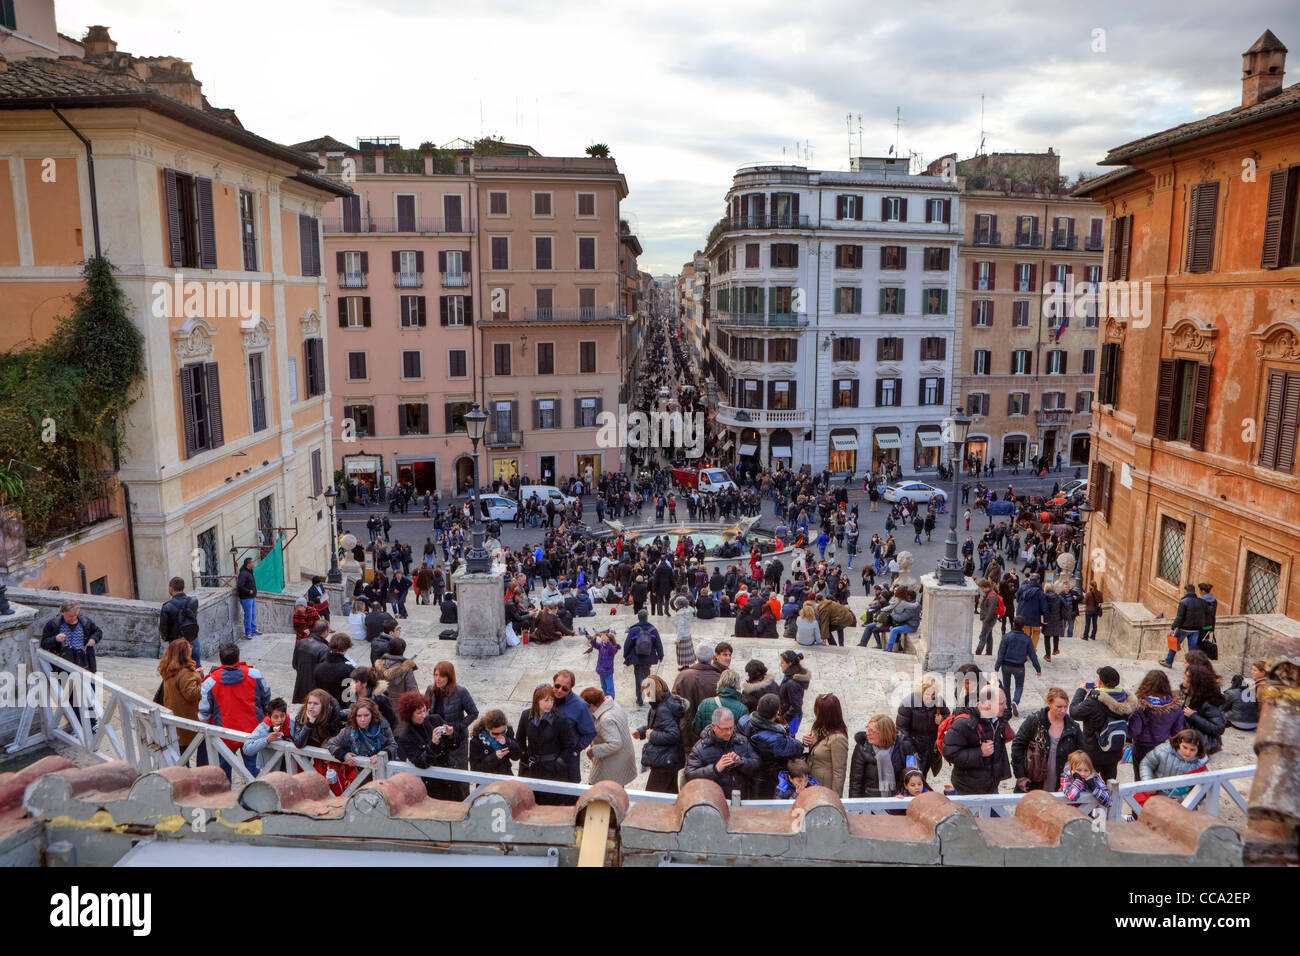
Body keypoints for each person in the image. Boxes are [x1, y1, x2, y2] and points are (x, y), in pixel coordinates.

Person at [198, 642, 272, 780]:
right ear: (238, 657)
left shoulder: (209, 682)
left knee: (223, 775)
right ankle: (258, 799)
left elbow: (203, 714)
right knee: (255, 773)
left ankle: (226, 800)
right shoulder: (255, 675)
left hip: (224, 734)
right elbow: (267, 701)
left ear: (220, 659)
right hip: (253, 731)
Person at [942, 684, 1013, 796]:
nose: (1006, 707)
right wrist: (980, 753)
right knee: (966, 814)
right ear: (987, 704)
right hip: (967, 789)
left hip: (991, 785)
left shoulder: (997, 719)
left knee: (994, 813)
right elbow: (949, 753)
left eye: (1005, 702)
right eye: (1001, 704)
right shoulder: (964, 723)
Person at [1011, 687, 1085, 793]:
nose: (1063, 710)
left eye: (1065, 706)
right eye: (1059, 707)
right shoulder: (1034, 721)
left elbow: (1082, 754)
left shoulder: (1073, 727)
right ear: (1049, 704)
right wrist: (1020, 776)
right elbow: (1017, 746)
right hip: (1033, 783)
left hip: (1061, 785)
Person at [1069, 666, 1136, 782]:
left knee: (1089, 787)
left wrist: (1081, 691)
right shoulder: (1127, 700)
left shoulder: (1094, 700)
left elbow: (1074, 712)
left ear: (1100, 681)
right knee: (1110, 786)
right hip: (1113, 751)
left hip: (1093, 752)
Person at [516, 685, 579, 806]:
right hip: (531, 769)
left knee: (549, 804)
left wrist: (559, 762)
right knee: (529, 803)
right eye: (546, 700)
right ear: (537, 700)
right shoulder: (526, 716)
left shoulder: (560, 719)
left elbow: (570, 746)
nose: (549, 704)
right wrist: (524, 756)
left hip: (552, 770)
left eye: (552, 700)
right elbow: (520, 740)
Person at [425, 661, 478, 796]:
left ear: (449, 677)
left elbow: (473, 713)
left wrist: (457, 727)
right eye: (436, 675)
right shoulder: (430, 690)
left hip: (456, 739)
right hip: (437, 737)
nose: (438, 679)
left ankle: (464, 799)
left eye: (441, 676)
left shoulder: (460, 692)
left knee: (459, 771)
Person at [395, 690, 458, 799]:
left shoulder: (435, 719)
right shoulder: (405, 738)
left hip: (450, 776)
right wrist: (433, 743)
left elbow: (454, 746)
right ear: (409, 714)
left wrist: (451, 734)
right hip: (430, 785)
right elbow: (421, 763)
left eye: (425, 710)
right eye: (419, 713)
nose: (424, 715)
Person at [740, 694, 805, 799]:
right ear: (776, 713)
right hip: (766, 782)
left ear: (757, 708)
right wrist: (784, 728)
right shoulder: (776, 740)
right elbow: (798, 747)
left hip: (746, 776)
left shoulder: (743, 721)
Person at [684, 707, 759, 797]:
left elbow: (757, 763)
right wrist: (715, 769)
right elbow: (689, 775)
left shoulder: (742, 741)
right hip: (714, 801)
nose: (729, 732)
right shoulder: (700, 748)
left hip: (740, 798)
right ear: (714, 726)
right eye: (725, 729)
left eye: (731, 728)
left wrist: (741, 762)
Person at [1128, 669, 1186, 778]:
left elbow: (1135, 731)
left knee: (1141, 779)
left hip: (1142, 748)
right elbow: (1178, 731)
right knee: (1160, 779)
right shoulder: (1175, 706)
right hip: (1164, 748)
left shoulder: (1140, 706)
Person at [634, 675, 687, 794]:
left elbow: (673, 734)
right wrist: (643, 732)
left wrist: (652, 735)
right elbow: (660, 725)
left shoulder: (662, 709)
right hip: (670, 759)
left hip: (664, 761)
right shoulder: (664, 703)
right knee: (670, 793)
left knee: (651, 797)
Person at [895, 676, 950, 786]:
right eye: (927, 694)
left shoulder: (939, 701)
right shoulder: (907, 704)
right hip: (914, 747)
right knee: (913, 778)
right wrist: (912, 751)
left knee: (923, 775)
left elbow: (948, 717)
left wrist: (943, 720)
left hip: (931, 749)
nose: (930, 697)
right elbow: (902, 730)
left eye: (933, 694)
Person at [551, 669, 596, 796]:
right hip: (548, 756)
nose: (559, 690)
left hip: (567, 760)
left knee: (568, 796)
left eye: (565, 688)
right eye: (557, 686)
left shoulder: (580, 706)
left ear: (571, 688)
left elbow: (590, 732)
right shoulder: (547, 698)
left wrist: (576, 750)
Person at [849, 715, 916, 798]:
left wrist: (907, 796)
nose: (867, 733)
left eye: (872, 731)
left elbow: (913, 774)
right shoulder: (862, 747)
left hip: (898, 799)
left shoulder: (905, 746)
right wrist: (855, 807)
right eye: (867, 729)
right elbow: (855, 782)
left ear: (884, 733)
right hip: (871, 802)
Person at [582, 687, 637, 786]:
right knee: (617, 789)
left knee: (598, 790)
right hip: (622, 759)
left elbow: (615, 744)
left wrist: (593, 751)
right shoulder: (613, 705)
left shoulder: (605, 719)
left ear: (591, 706)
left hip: (612, 764)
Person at [157, 636, 203, 753]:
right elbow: (192, 694)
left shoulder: (169, 669)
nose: (191, 648)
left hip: (174, 716)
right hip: (187, 720)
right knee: (189, 752)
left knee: (179, 753)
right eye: (189, 647)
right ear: (184, 653)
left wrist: (194, 675)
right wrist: (203, 682)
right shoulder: (185, 672)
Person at [673, 644, 723, 751]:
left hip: (686, 733)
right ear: (713, 657)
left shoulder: (683, 676)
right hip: (711, 734)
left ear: (695, 657)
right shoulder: (720, 678)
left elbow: (673, 703)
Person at [800, 693, 849, 797]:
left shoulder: (838, 739)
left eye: (817, 710)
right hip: (811, 782)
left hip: (824, 787)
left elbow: (839, 773)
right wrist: (805, 742)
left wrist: (835, 798)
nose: (815, 713)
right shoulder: (817, 727)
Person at [993, 615, 1042, 717]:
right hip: (1019, 666)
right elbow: (1033, 655)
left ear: (1013, 624)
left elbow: (1001, 653)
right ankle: (1015, 701)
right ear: (1023, 626)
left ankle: (1008, 708)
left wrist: (996, 667)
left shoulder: (1006, 637)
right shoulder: (1027, 639)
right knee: (1019, 686)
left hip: (1006, 665)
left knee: (1006, 686)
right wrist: (1038, 669)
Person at [40, 599, 102, 674]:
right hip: (62, 664)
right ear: (62, 612)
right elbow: (43, 643)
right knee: (68, 685)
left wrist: (93, 639)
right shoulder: (53, 624)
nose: (73, 618)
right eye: (70, 616)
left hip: (84, 661)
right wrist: (55, 639)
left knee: (87, 685)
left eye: (76, 615)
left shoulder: (86, 622)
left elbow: (98, 632)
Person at [1138, 729, 1208, 791]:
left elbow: (1203, 788)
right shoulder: (1163, 750)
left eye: (1192, 749)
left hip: (1185, 802)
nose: (1187, 752)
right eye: (1185, 747)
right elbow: (1146, 764)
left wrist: (1182, 798)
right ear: (1179, 742)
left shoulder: (1201, 764)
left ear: (1199, 749)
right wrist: (1148, 782)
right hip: (1157, 793)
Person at [1181, 664, 1226, 754]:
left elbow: (1219, 728)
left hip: (1205, 742)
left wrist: (1194, 716)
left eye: (1186, 676)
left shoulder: (1208, 702)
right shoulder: (1190, 693)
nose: (1183, 677)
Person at [623, 609, 664, 706]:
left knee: (638, 678)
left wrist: (626, 655)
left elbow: (628, 644)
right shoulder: (652, 629)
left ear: (638, 618)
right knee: (648, 677)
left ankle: (640, 699)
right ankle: (650, 699)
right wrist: (660, 655)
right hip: (648, 657)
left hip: (637, 658)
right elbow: (658, 643)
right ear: (647, 618)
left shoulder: (634, 630)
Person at [243, 697, 295, 772]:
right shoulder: (262, 728)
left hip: (292, 768)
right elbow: (247, 749)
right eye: (276, 717)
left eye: (282, 716)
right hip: (272, 770)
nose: (280, 720)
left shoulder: (293, 723)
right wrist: (266, 740)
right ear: (269, 717)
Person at [160, 576, 202, 667]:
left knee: (176, 670)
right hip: (192, 640)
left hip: (176, 644)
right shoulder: (193, 601)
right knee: (196, 667)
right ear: (183, 588)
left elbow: (163, 630)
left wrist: (168, 640)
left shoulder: (167, 607)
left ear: (171, 588)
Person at [1162, 583, 1206, 668]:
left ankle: (1168, 662)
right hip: (1196, 630)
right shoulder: (1202, 602)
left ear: (1186, 591)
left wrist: (1172, 627)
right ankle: (1193, 667)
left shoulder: (1183, 602)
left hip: (1183, 629)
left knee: (1173, 645)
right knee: (1192, 651)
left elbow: (1179, 617)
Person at [468, 709, 523, 776]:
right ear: (487, 729)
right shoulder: (477, 741)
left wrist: (508, 742)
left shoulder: (508, 731)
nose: (500, 736)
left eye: (503, 732)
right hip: (486, 779)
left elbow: (516, 757)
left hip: (505, 775)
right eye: (495, 734)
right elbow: (475, 769)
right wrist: (495, 757)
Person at [692, 670, 748, 734]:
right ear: (737, 685)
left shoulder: (704, 703)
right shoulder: (742, 709)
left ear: (720, 682)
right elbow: (744, 733)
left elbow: (696, 729)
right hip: (729, 743)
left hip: (707, 742)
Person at [290, 620, 330, 704]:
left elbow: (294, 664)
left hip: (301, 685)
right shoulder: (324, 649)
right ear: (325, 632)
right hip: (315, 689)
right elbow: (324, 674)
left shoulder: (301, 642)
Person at [314, 633, 357, 706]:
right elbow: (350, 695)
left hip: (324, 705)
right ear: (346, 648)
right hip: (342, 707)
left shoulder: (318, 667)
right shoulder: (348, 669)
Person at [1221, 662, 1265, 731]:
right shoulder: (1257, 683)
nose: (1252, 672)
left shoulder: (1262, 686)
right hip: (1254, 721)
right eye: (1252, 669)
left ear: (1263, 672)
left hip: (1255, 718)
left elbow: (1260, 705)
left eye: (1255, 670)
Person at [777, 650, 811, 738]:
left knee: (788, 738)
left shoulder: (792, 683)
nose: (780, 664)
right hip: (787, 714)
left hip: (790, 719)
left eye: (782, 663)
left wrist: (784, 719)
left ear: (790, 663)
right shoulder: (790, 675)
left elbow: (796, 706)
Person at [585, 629, 621, 698]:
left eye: (606, 640)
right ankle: (606, 698)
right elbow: (594, 644)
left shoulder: (613, 649)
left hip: (608, 672)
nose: (603, 641)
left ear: (610, 641)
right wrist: (594, 637)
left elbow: (612, 649)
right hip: (601, 671)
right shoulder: (601, 646)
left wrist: (607, 642)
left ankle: (611, 700)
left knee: (610, 688)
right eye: (603, 640)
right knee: (603, 687)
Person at [1015, 574, 1046, 651]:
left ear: (1029, 579)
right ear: (1038, 580)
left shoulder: (1022, 588)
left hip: (1021, 615)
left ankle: (1023, 650)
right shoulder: (1040, 591)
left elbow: (1017, 599)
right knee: (1036, 632)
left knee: (1024, 633)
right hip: (1035, 616)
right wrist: (1045, 616)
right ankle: (1031, 650)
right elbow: (1044, 606)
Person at [235, 557, 259, 638]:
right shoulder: (243, 574)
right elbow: (239, 586)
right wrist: (249, 591)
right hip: (246, 598)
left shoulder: (250, 571)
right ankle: (248, 633)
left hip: (251, 597)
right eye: (252, 562)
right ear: (248, 564)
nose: (253, 563)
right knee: (248, 615)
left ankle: (253, 629)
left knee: (252, 614)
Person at [975, 578, 998, 656]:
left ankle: (978, 652)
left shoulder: (991, 596)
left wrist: (986, 620)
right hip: (989, 619)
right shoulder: (990, 594)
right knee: (988, 636)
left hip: (988, 620)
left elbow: (991, 610)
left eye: (981, 588)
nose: (981, 590)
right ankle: (989, 652)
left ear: (985, 587)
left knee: (983, 636)